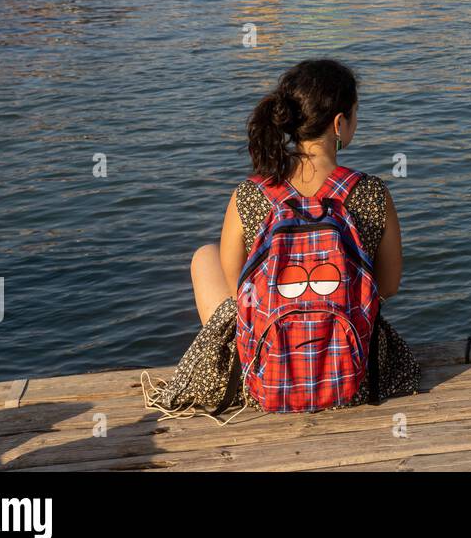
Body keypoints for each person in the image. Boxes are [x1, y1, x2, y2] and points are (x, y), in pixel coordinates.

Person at [146, 59, 418, 417]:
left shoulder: (250, 193)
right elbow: (389, 285)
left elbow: (238, 291)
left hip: (267, 378)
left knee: (204, 257)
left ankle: (259, 371)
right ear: (340, 123)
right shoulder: (371, 192)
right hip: (354, 376)